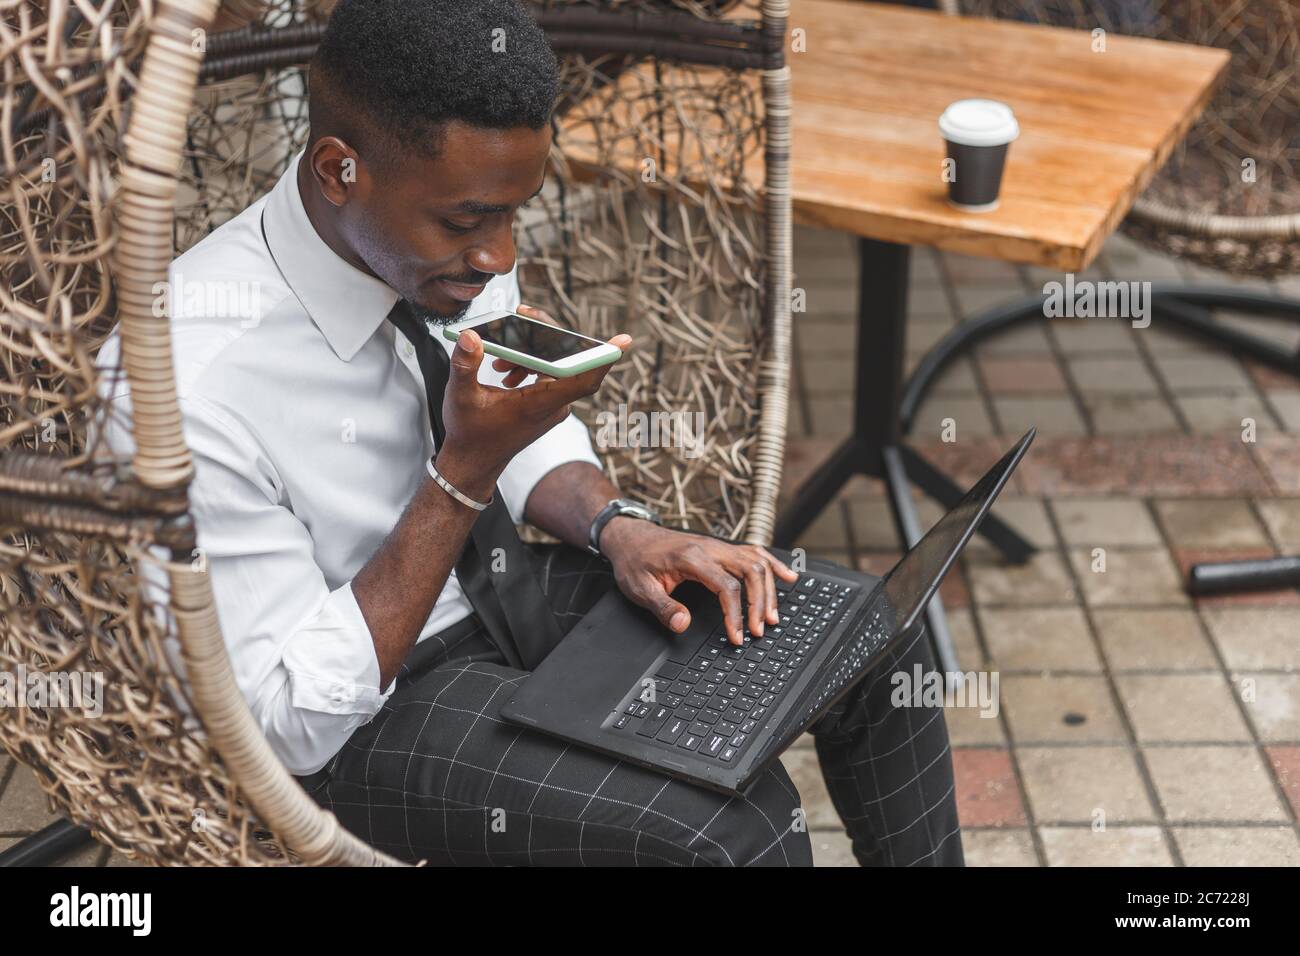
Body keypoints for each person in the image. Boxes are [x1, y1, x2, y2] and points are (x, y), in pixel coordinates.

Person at [100, 0, 962, 866]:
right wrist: (463, 472)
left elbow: (524, 426)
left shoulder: (436, 255)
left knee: (869, 630)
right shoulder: (184, 384)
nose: (501, 258)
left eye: (516, 214)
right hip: (364, 711)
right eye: (470, 221)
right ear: (338, 170)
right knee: (738, 828)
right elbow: (288, 722)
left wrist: (618, 528)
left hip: (504, 586)